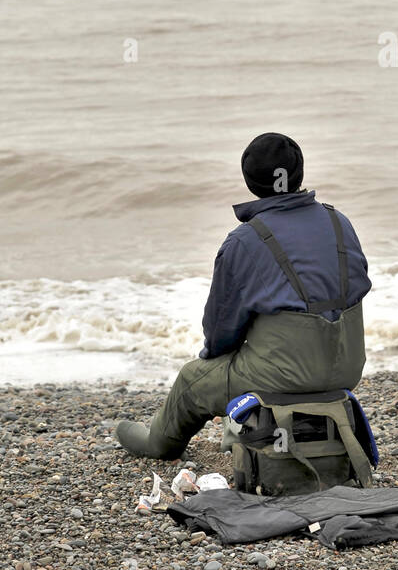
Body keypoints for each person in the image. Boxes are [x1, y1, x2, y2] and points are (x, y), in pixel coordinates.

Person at [115, 132, 371, 459]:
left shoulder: (244, 240)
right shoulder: (340, 222)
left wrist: (216, 359)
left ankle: (158, 443)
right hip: (347, 367)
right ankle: (241, 428)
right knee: (263, 338)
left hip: (285, 376)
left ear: (249, 181)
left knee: (194, 378)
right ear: (299, 174)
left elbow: (220, 329)